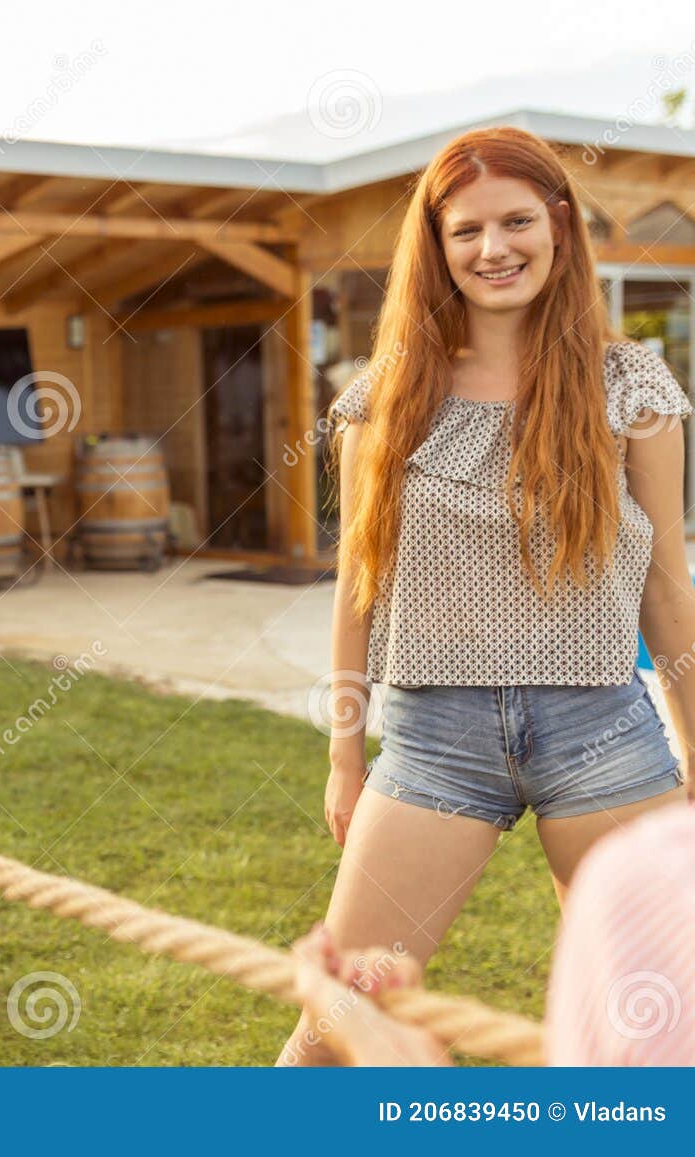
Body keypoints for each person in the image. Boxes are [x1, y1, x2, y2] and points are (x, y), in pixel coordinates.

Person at [281, 125, 694, 1065]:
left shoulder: (629, 385)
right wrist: (346, 757)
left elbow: (667, 589)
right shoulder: (385, 394)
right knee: (335, 1025)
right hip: (435, 739)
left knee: (654, 1031)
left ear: (559, 225)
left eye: (516, 221)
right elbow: (358, 587)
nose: (493, 248)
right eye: (466, 230)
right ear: (436, 244)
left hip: (603, 733)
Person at [291, 802, 695, 1066]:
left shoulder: (646, 873)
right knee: (316, 1045)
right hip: (432, 732)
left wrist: (391, 1058)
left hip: (602, 728)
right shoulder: (651, 870)